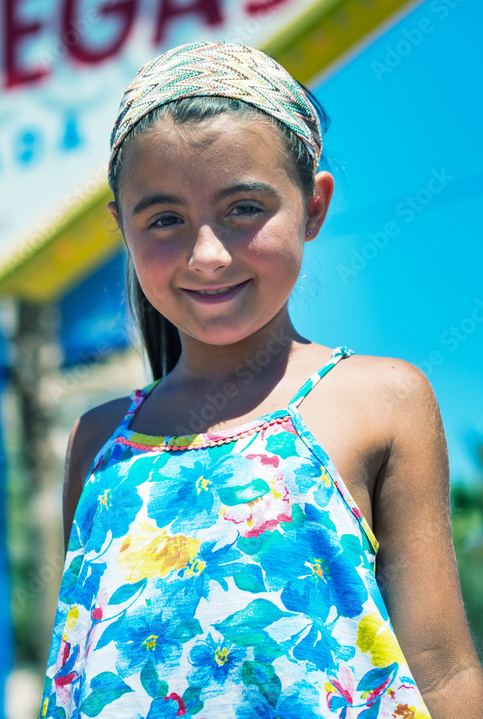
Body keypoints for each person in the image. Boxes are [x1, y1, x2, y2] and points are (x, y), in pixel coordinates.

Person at [40, 41, 483, 719]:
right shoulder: (99, 442)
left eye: (244, 207)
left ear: (312, 206)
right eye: (164, 220)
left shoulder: (380, 401)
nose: (207, 254)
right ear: (121, 229)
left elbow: (441, 671)